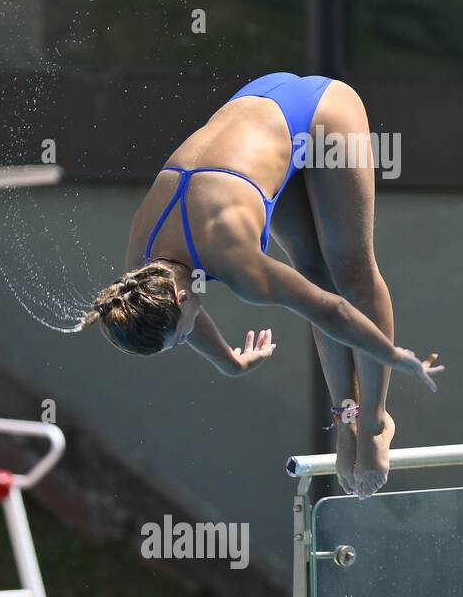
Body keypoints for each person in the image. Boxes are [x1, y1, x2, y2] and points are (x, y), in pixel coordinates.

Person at [81, 73, 442, 497]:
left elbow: (331, 309)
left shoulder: (236, 262)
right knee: (312, 269)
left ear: (181, 297)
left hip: (321, 114)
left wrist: (395, 356)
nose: (189, 338)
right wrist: (229, 363)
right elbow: (191, 318)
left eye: (181, 338)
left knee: (350, 273)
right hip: (257, 112)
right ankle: (346, 417)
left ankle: (376, 421)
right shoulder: (141, 274)